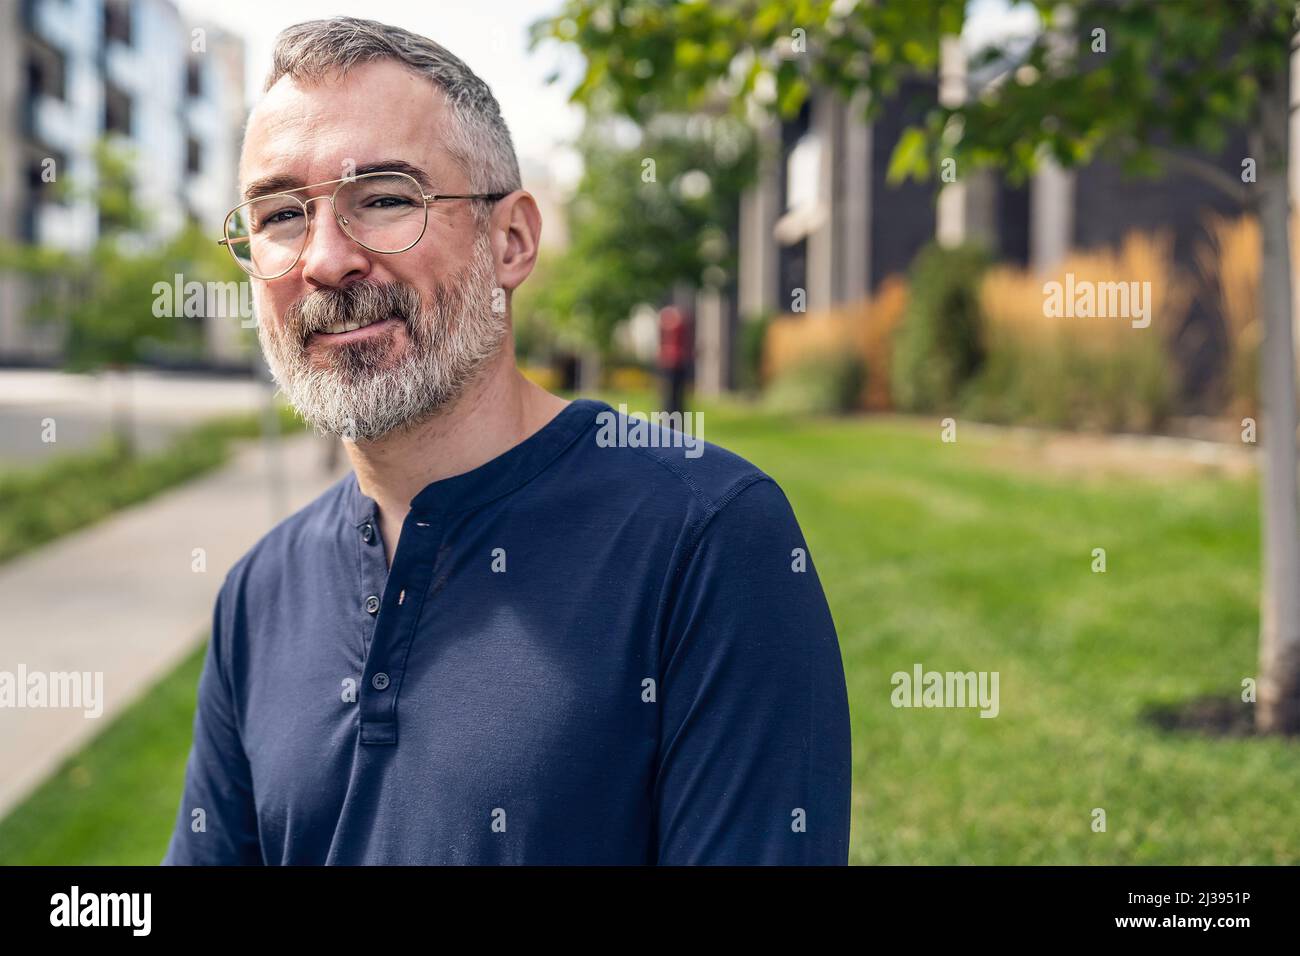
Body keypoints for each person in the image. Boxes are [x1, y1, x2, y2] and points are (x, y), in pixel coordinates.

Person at [162, 16, 851, 865]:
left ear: (512, 241)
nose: (326, 260)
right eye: (279, 215)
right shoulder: (258, 595)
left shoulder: (708, 538)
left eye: (383, 199)